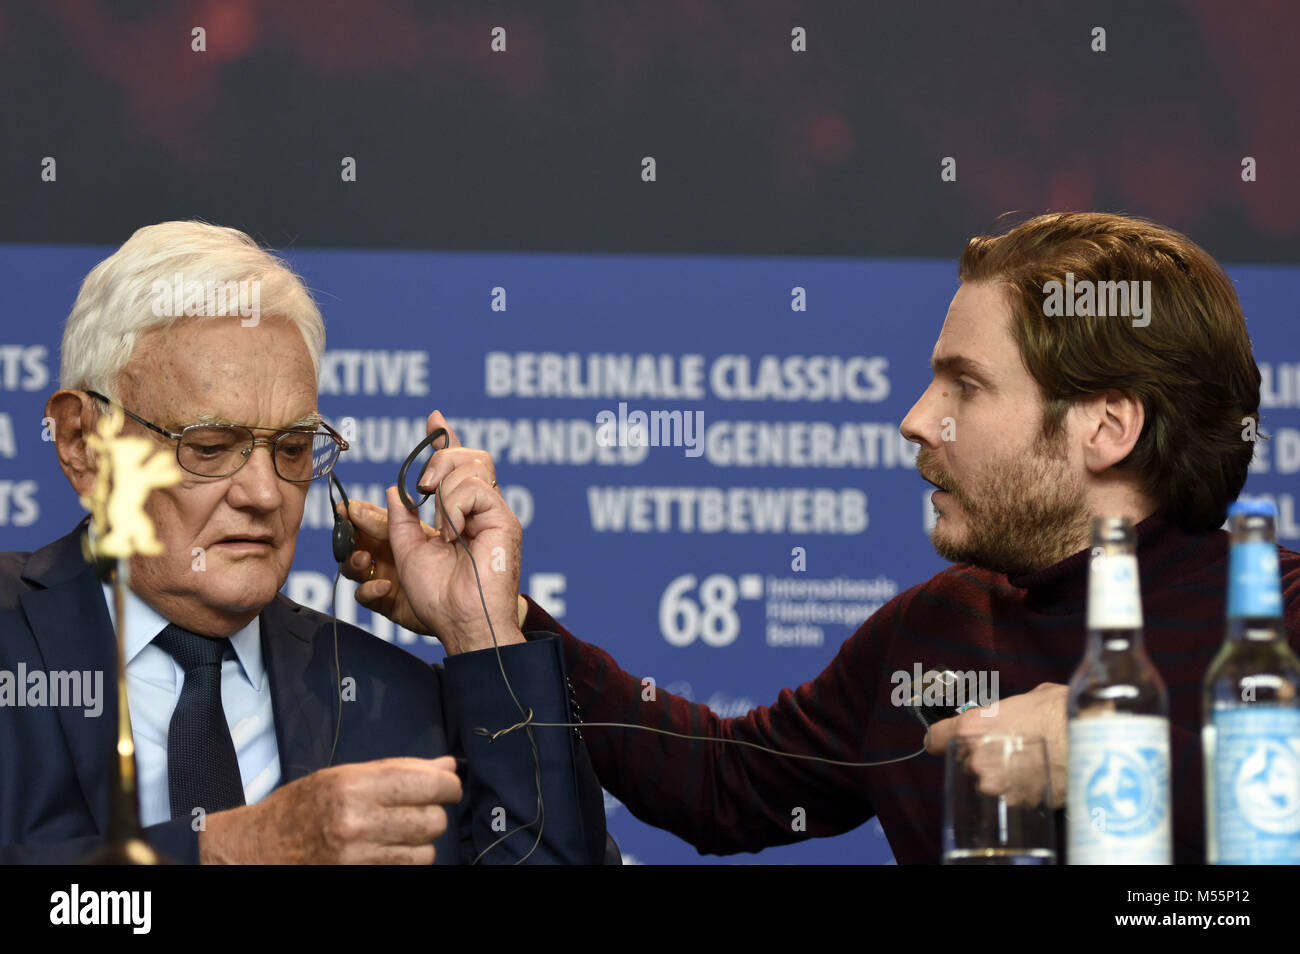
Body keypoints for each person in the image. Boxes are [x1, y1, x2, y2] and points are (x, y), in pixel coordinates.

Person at [342, 212, 1300, 864]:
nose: (916, 419)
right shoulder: (933, 633)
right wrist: (498, 615)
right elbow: (721, 783)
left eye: (964, 386)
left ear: (1107, 427)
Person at [0, 221, 607, 864]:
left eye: (291, 448)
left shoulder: (395, 701)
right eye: (208, 447)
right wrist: (225, 851)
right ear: (82, 446)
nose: (264, 494)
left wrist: (481, 634)